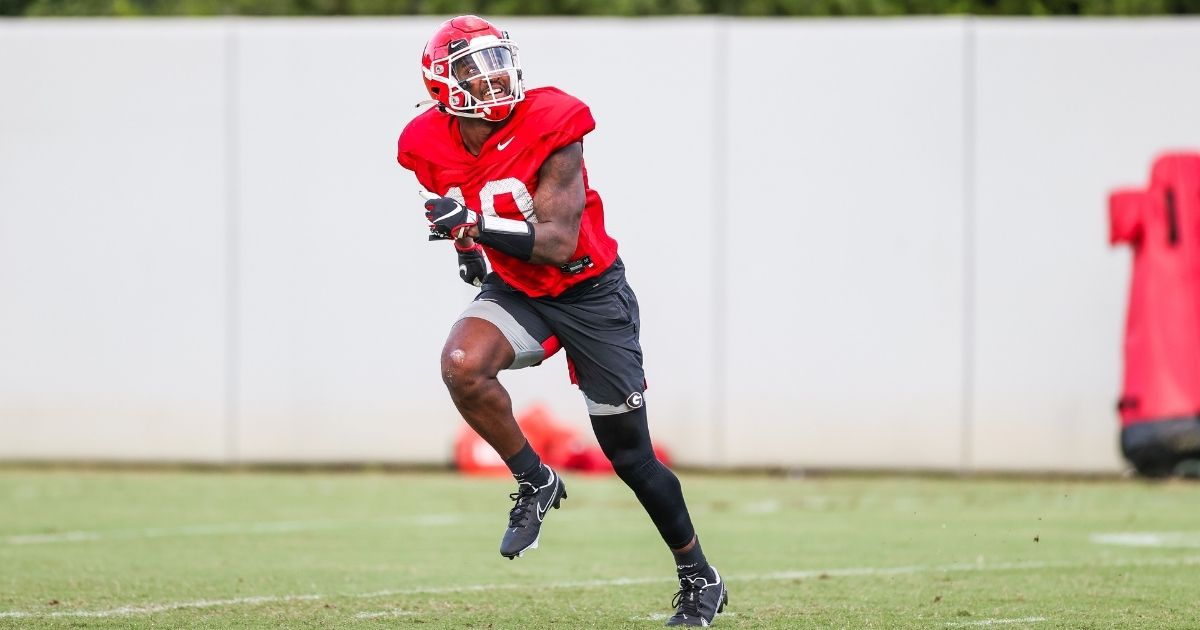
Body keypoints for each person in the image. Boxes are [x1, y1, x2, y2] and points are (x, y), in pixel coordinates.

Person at [396, 15, 728, 627]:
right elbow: (449, 194)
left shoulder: (554, 122)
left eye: (496, 61)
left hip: (589, 292)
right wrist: (469, 250)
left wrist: (471, 229)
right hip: (520, 290)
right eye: (472, 68)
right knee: (462, 365)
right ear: (442, 85)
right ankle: (534, 479)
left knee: (630, 458)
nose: (491, 77)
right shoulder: (423, 141)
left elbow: (554, 240)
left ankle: (698, 573)